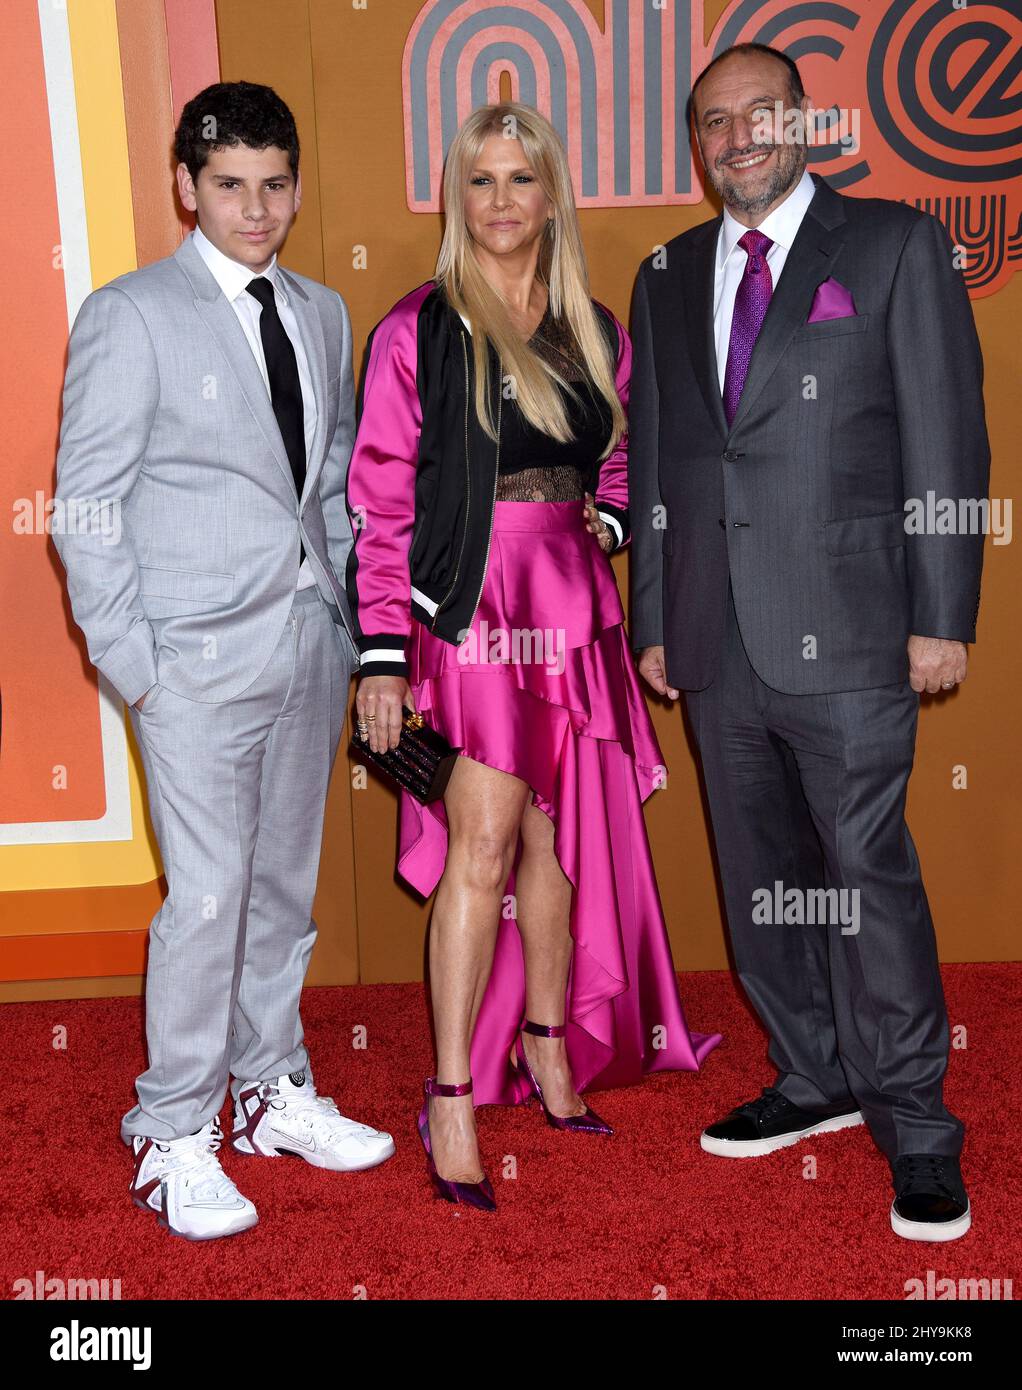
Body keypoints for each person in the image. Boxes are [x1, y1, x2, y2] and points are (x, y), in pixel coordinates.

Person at [628, 43, 989, 1241]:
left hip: (853, 630)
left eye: (759, 114)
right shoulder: (666, 272)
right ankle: (810, 1072)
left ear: (803, 120)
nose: (738, 138)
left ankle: (916, 1126)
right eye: (715, 123)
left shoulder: (889, 244)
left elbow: (947, 436)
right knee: (762, 884)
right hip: (712, 641)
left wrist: (941, 612)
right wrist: (652, 621)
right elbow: (664, 458)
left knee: (865, 881)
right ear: (698, 144)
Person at [346, 102, 721, 1212]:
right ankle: (452, 1093)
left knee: (559, 843)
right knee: (484, 842)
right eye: (480, 182)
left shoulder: (595, 326)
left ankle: (550, 1048)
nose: (501, 200)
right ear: (455, 200)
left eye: (520, 179)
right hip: (472, 612)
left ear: (550, 193)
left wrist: (596, 537)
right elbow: (374, 501)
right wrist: (379, 656)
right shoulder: (416, 328)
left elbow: (622, 471)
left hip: (572, 603)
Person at [52, 80, 394, 1242]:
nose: (256, 209)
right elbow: (84, 507)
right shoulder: (130, 314)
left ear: (294, 188)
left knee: (279, 889)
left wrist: (350, 620)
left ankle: (270, 1088)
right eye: (231, 186)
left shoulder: (322, 310)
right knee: (203, 899)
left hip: (306, 644)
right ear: (185, 186)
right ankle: (171, 1126)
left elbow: (336, 480)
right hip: (189, 663)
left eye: (274, 185)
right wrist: (135, 664)